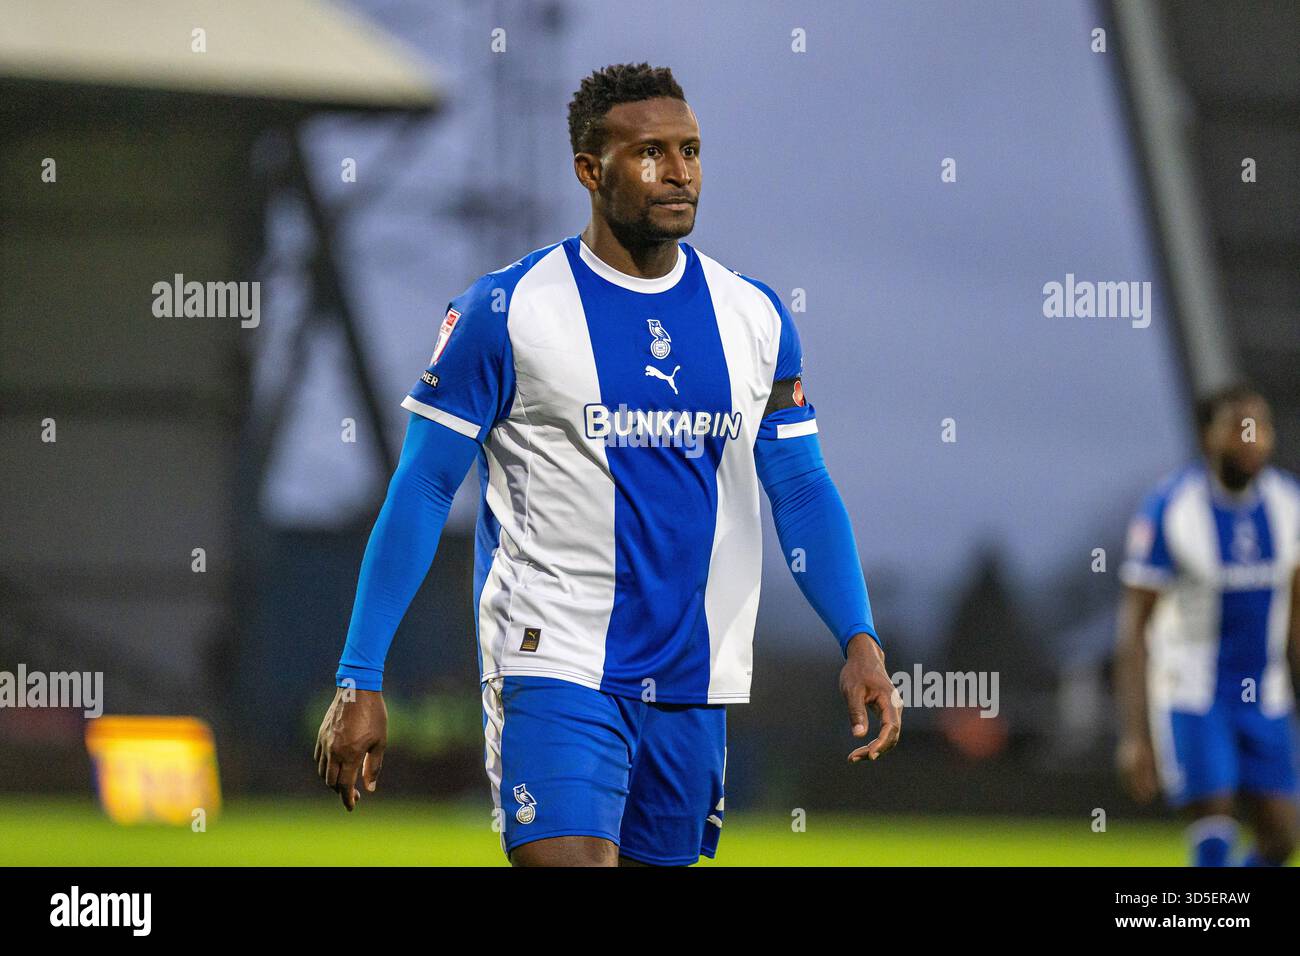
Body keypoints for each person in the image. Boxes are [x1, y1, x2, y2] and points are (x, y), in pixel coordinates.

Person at [314, 63, 899, 866]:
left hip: (693, 678)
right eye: (650, 152)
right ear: (591, 171)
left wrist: (857, 634)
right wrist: (359, 674)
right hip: (551, 659)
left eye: (690, 150)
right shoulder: (505, 310)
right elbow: (422, 487)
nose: (679, 171)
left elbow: (799, 485)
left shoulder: (755, 318)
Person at [1116, 384, 1300, 865]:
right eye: (1238, 428)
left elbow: (1296, 613)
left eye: (1260, 427)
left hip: (1267, 694)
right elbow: (1134, 628)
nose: (1251, 439)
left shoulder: (1288, 505)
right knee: (1215, 836)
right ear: (1206, 438)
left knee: (1281, 840)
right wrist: (1136, 734)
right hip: (1194, 695)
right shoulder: (1170, 509)